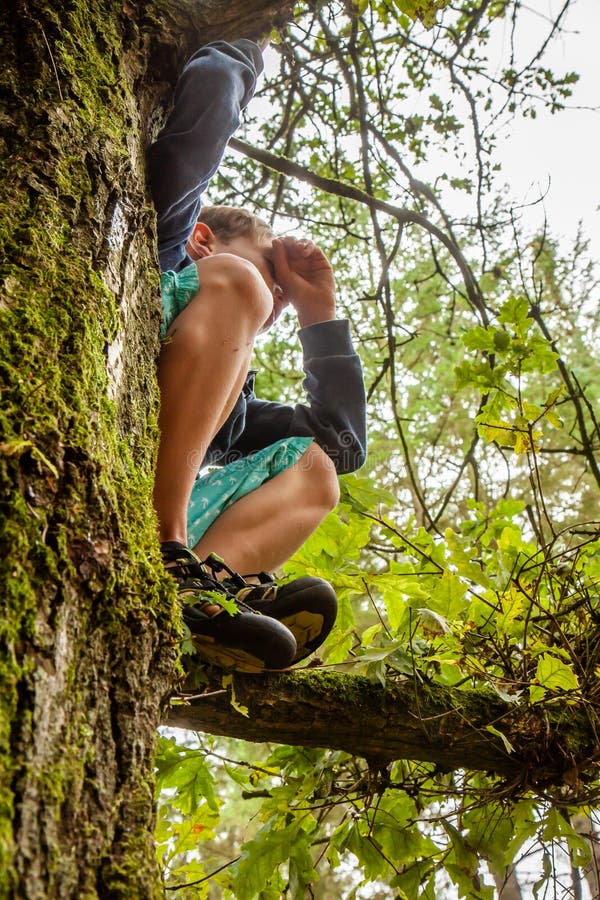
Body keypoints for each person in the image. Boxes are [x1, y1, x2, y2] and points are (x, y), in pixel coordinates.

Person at [148, 39, 367, 673]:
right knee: (235, 285)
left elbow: (343, 444)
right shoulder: (160, 252)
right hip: (130, 477)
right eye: (273, 272)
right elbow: (214, 83)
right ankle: (170, 551)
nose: (273, 296)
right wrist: (247, 39)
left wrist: (317, 314)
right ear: (200, 239)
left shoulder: (231, 411)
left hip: (165, 499)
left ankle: (201, 598)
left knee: (317, 467)